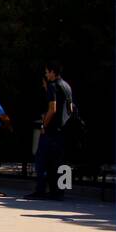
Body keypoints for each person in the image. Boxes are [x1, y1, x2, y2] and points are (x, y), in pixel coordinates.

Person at [24, 64, 71, 200]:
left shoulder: (52, 86)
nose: (46, 75)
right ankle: (59, 192)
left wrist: (44, 125)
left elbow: (53, 108)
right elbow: (70, 109)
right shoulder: (67, 86)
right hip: (62, 130)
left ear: (52, 72)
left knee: (41, 160)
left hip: (51, 130)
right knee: (58, 162)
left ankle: (40, 190)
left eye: (47, 72)